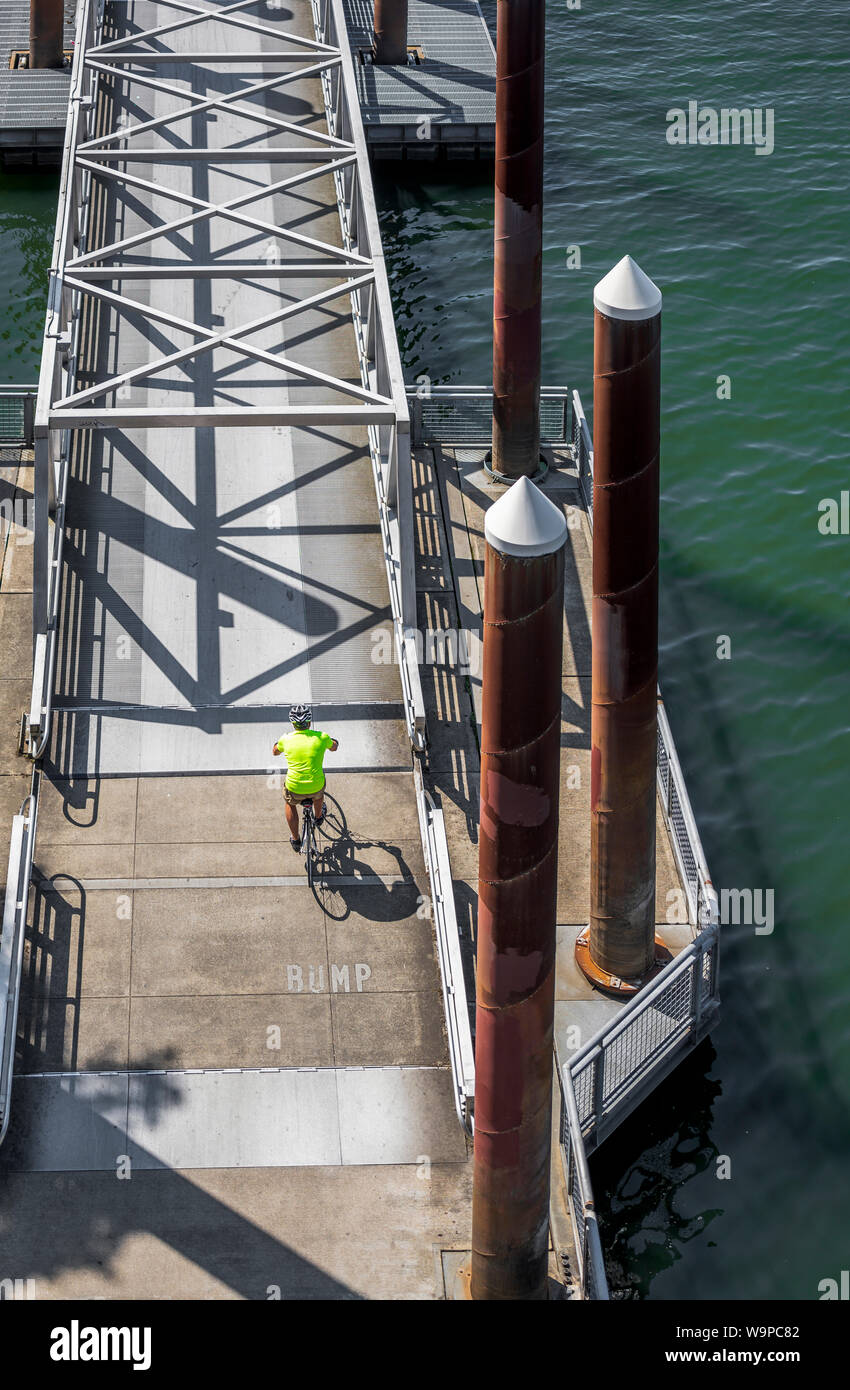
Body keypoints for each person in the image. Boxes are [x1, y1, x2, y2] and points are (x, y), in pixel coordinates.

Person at [273, 704, 339, 852]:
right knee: (319, 792)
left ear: (293, 723)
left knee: (290, 804)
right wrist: (333, 742)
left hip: (294, 787)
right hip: (315, 785)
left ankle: (296, 840)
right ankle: (318, 816)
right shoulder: (321, 737)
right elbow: (334, 747)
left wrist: (278, 745)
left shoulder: (286, 739)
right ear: (309, 722)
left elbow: (275, 751)